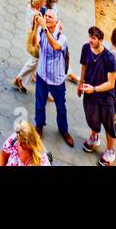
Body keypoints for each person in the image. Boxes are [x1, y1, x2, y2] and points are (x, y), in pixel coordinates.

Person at [33, 8, 74, 146]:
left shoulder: (62, 37)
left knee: (61, 107)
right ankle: (39, 126)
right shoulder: (42, 31)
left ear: (57, 21)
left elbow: (56, 46)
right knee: (39, 104)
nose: (47, 17)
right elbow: (34, 44)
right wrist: (35, 27)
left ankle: (64, 130)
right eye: (46, 16)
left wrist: (44, 27)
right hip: (42, 75)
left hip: (56, 79)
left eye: (50, 16)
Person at [78, 25, 116, 165]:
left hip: (105, 98)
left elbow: (111, 83)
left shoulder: (109, 58)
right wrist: (80, 83)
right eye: (90, 37)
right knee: (92, 119)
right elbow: (84, 65)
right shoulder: (85, 48)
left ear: (100, 40)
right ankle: (94, 138)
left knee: (108, 125)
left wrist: (94, 89)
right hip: (89, 92)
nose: (90, 40)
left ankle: (110, 151)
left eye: (93, 38)